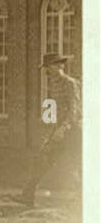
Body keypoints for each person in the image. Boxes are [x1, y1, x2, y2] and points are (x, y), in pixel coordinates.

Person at [19, 52, 81, 207]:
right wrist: (48, 128)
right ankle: (27, 196)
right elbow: (51, 106)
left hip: (74, 131)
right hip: (58, 130)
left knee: (78, 164)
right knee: (42, 159)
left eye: (50, 66)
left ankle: (84, 200)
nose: (48, 71)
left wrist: (63, 129)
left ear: (59, 66)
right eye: (47, 67)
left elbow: (74, 111)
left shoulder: (71, 83)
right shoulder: (52, 84)